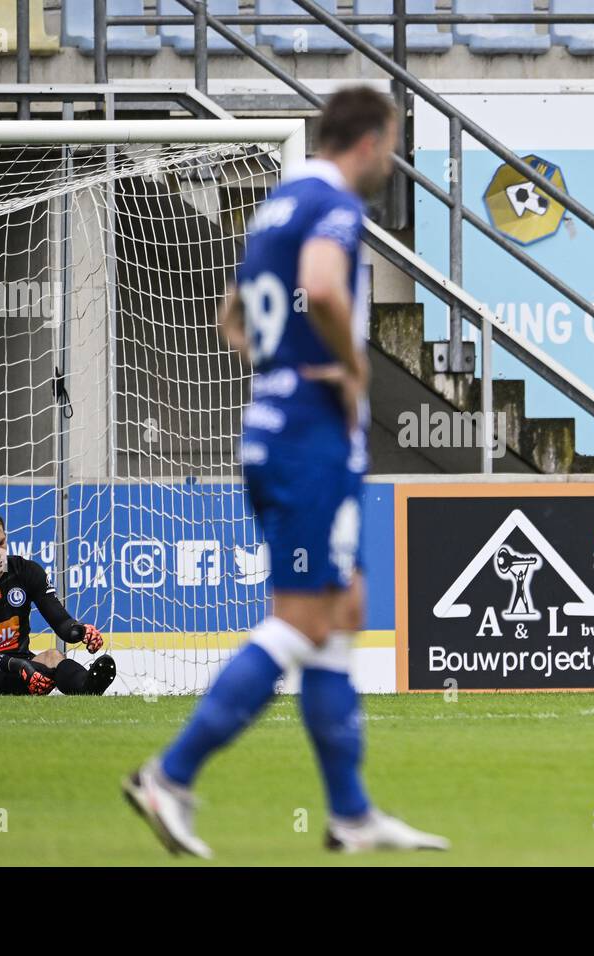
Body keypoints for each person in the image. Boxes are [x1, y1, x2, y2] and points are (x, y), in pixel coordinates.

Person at [123, 87, 448, 858]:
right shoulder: (332, 205)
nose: (392, 161)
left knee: (342, 610)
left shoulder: (275, 205)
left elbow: (230, 315)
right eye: (393, 144)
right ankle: (169, 775)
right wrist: (349, 365)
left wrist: (279, 368)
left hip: (274, 424)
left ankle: (351, 814)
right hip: (308, 438)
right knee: (305, 618)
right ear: (369, 141)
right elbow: (327, 286)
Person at [0, 506, 114, 696]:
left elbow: (61, 622)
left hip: (25, 673)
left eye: (1, 543)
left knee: (53, 656)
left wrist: (80, 631)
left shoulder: (27, 571)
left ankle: (88, 686)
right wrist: (18, 665)